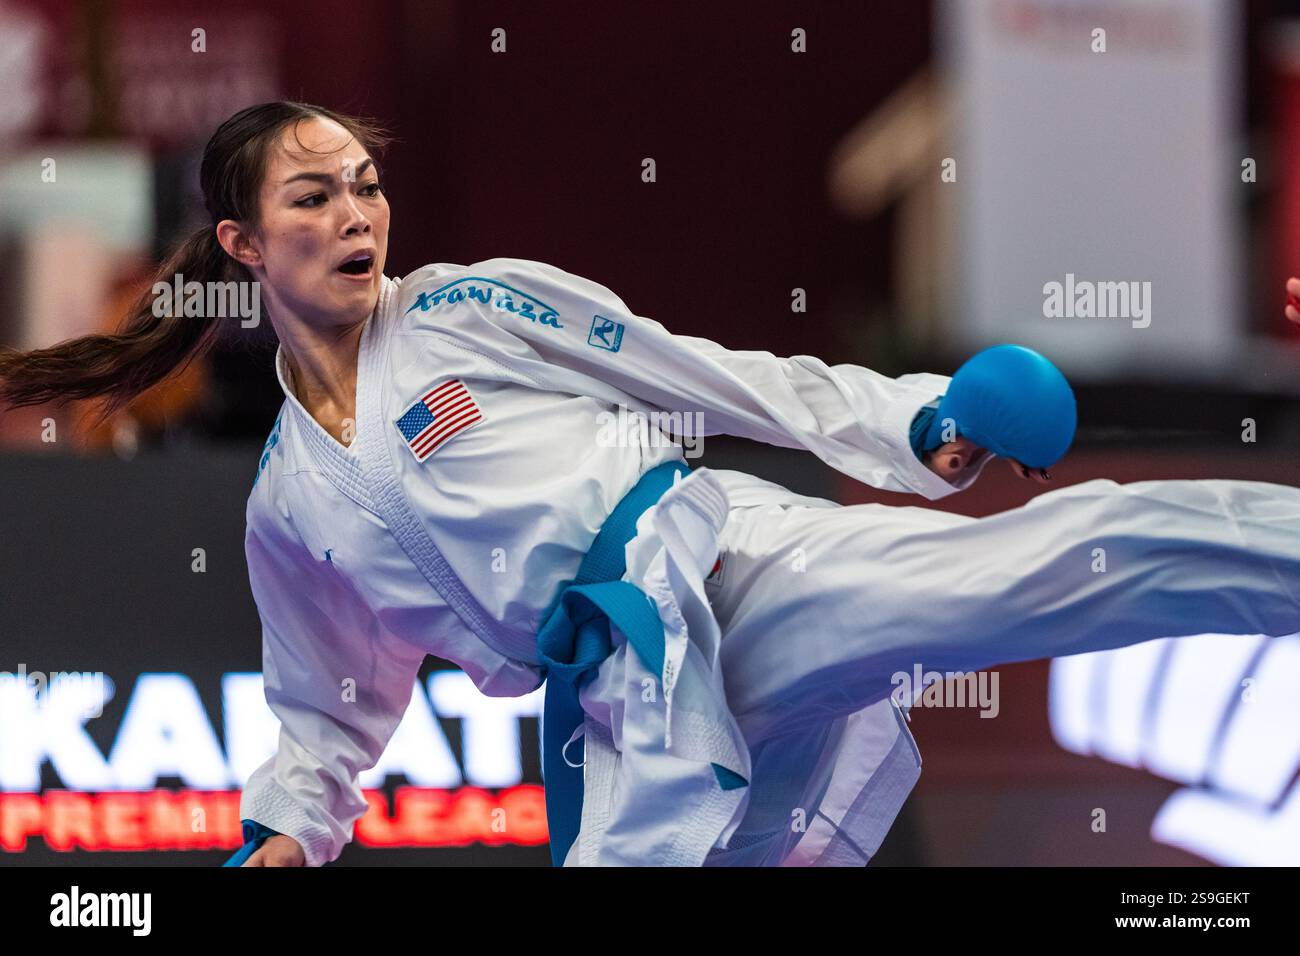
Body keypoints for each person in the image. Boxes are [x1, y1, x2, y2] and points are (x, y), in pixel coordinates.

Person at [4, 101, 1299, 868]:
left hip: (737, 575)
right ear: (241, 243)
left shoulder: (465, 310)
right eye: (314, 196)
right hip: (614, 712)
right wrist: (289, 828)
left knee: (1054, 560)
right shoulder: (289, 503)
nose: (358, 214)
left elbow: (705, 374)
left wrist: (913, 422)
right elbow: (328, 707)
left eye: (368, 186)